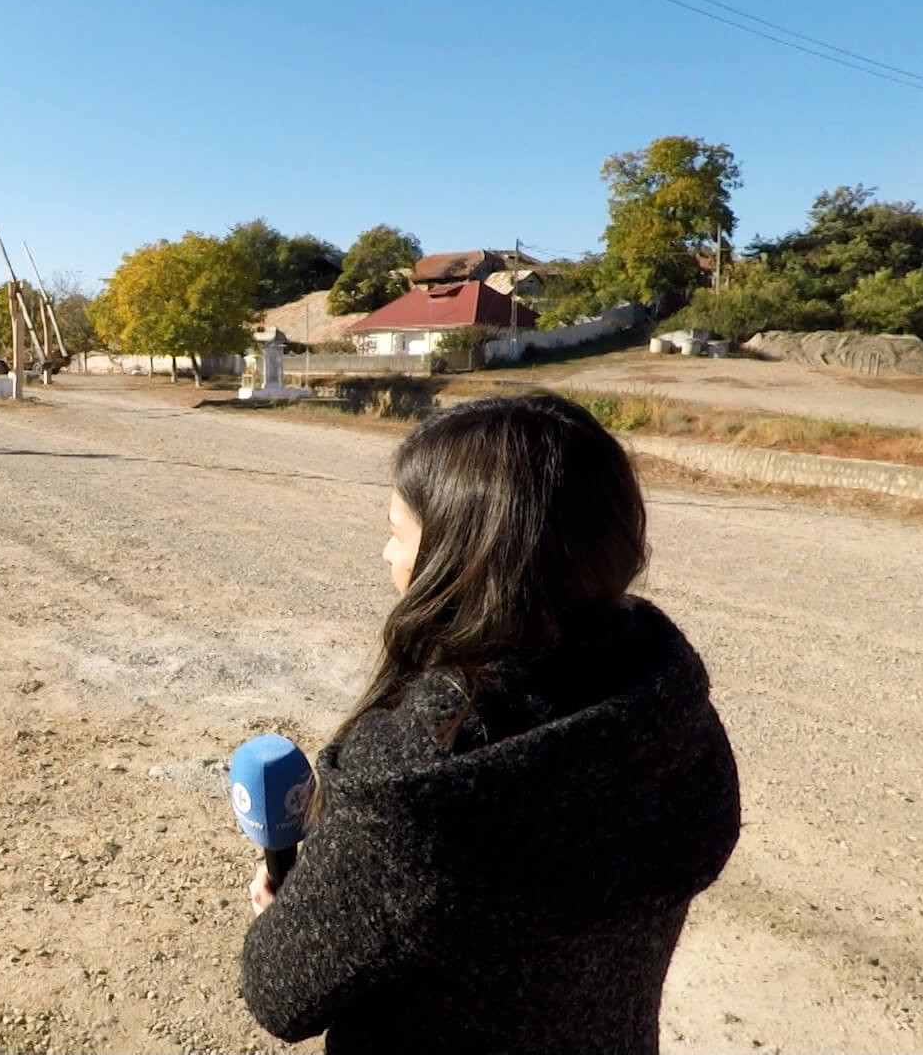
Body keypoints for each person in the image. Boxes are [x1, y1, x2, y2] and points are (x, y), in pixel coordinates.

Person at [240, 393, 741, 1054]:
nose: (386, 556)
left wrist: (289, 911)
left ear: (465, 560)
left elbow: (282, 994)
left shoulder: (420, 777)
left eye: (396, 532)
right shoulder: (665, 703)